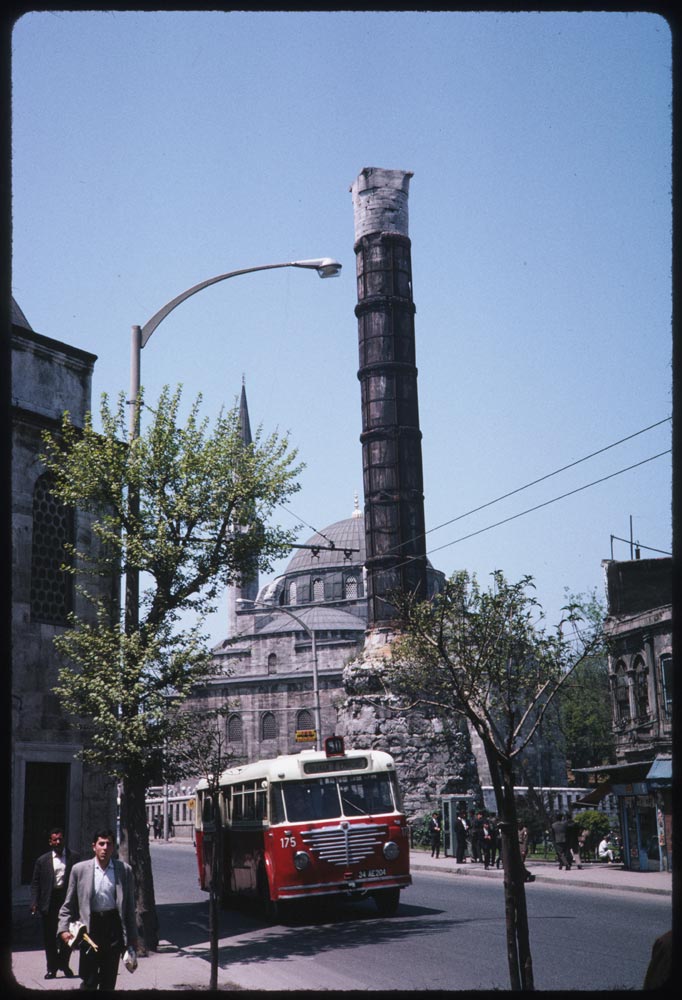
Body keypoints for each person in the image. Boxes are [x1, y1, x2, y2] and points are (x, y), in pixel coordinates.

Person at [58, 828, 138, 991]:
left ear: (113, 848)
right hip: (90, 929)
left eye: (109, 844)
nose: (105, 848)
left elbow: (129, 908)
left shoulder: (124, 870)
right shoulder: (79, 870)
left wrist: (132, 937)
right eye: (101, 844)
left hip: (113, 928)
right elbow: (69, 902)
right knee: (89, 980)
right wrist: (63, 928)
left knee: (109, 981)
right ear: (94, 846)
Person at [30, 827, 80, 980]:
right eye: (55, 839)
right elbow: (35, 883)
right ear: (50, 842)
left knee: (68, 936)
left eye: (60, 839)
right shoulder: (42, 861)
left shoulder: (74, 858)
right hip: (49, 902)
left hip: (67, 901)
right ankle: (52, 968)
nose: (58, 842)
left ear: (64, 840)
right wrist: (34, 902)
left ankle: (64, 964)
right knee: (50, 937)